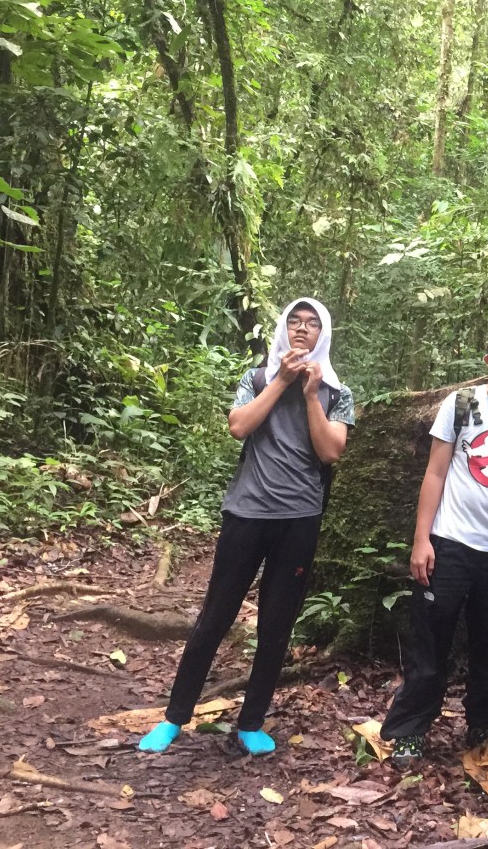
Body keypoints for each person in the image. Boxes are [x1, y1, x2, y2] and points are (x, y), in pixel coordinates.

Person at [139, 297, 355, 756]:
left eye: (312, 324)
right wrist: (280, 380)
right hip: (247, 512)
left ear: (324, 335)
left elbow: (330, 451)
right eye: (294, 322)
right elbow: (239, 426)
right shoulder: (256, 379)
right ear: (283, 330)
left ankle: (251, 722)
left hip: (299, 517)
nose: (302, 329)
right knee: (215, 616)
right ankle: (175, 718)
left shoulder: (337, 392)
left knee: (277, 623)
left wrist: (311, 393)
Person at [381, 323, 488, 767]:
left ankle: (485, 724)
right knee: (430, 639)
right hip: (450, 542)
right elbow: (435, 472)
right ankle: (410, 729)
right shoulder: (460, 404)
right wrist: (421, 539)